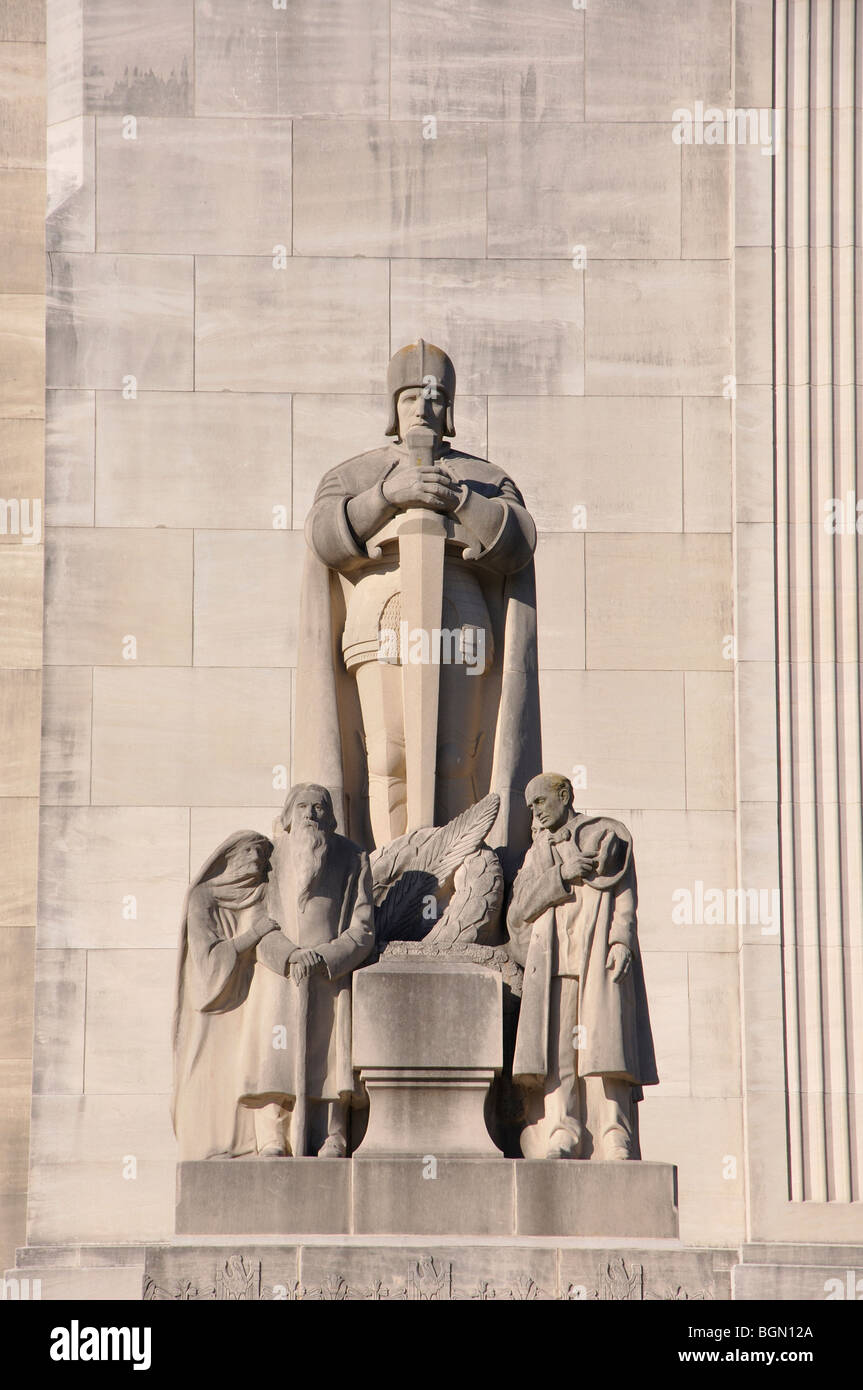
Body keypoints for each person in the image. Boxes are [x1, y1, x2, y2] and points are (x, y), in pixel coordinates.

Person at [295, 339, 540, 865]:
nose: (422, 409)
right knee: (388, 756)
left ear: (448, 408)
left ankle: (450, 893)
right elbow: (323, 536)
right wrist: (389, 494)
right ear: (393, 407)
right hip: (380, 617)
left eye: (432, 398)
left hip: (463, 620)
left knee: (455, 758)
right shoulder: (354, 473)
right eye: (410, 399)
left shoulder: (486, 478)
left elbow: (518, 543)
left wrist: (460, 499)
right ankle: (393, 882)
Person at [506, 773, 658, 1160]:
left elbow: (625, 896)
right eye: (530, 806)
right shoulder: (535, 855)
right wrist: (561, 874)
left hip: (596, 955)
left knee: (606, 1048)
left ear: (563, 795)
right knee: (559, 1051)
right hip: (554, 961)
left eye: (539, 801)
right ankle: (563, 1130)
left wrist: (622, 940)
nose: (534, 812)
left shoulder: (605, 835)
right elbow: (518, 912)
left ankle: (613, 1133)